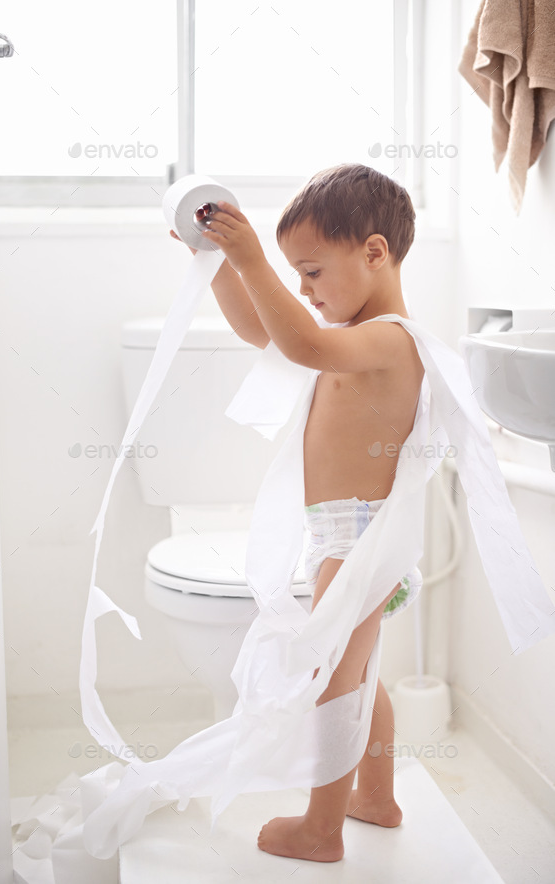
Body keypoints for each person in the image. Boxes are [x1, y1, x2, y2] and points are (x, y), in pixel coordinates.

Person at [171, 163, 425, 862]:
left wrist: (252, 255)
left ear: (374, 253)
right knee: (357, 674)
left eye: (311, 273)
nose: (304, 293)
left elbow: (301, 342)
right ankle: (375, 796)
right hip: (344, 536)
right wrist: (222, 262)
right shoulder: (354, 332)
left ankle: (322, 828)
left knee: (331, 681)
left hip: (363, 540)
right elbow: (266, 332)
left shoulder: (390, 338)